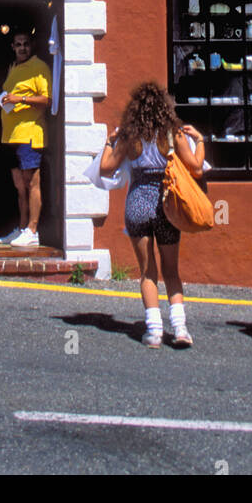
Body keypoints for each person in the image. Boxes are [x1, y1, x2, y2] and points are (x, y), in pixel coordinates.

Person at [100, 81, 205, 348]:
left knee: (148, 272)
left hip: (137, 203)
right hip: (166, 205)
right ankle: (180, 329)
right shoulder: (173, 133)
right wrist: (201, 140)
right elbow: (196, 168)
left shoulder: (129, 135)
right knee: (171, 270)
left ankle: (154, 330)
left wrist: (108, 144)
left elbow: (105, 169)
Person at [0, 29, 51, 249]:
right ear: (12, 47)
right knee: (20, 186)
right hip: (11, 135)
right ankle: (21, 229)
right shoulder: (14, 68)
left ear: (33, 45)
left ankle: (32, 230)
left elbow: (46, 99)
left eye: (25, 44)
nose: (22, 48)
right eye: (18, 44)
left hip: (30, 133)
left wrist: (21, 98)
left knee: (32, 183)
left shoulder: (38, 67)